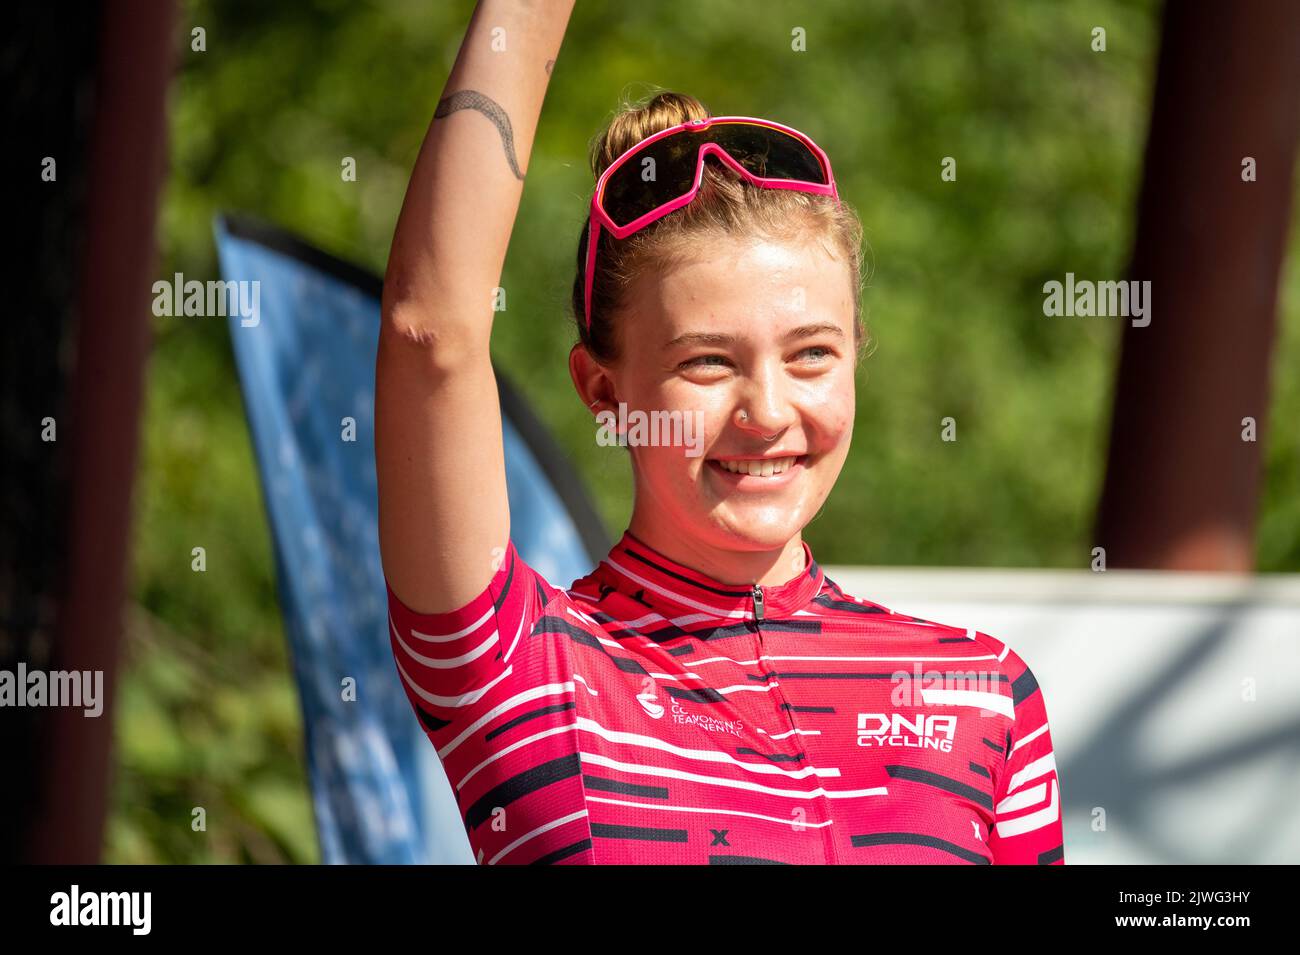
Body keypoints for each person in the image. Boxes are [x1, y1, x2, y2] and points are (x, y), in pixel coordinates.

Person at [376, 0, 1064, 865]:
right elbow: (429, 333)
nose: (769, 412)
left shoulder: (986, 693)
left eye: (812, 354)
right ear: (603, 388)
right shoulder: (523, 669)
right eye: (707, 363)